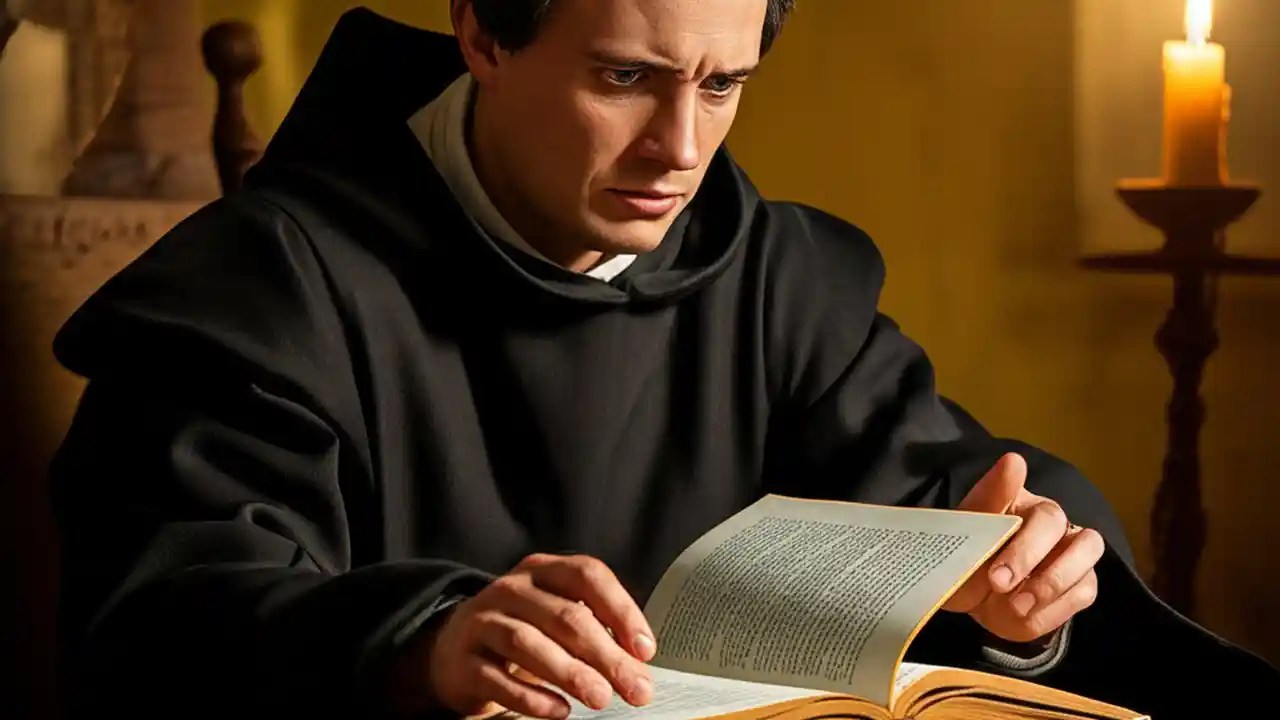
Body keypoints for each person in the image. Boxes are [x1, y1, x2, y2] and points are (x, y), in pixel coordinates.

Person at [47, 1, 1276, 718]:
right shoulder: (270, 283)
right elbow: (162, 615)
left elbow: (939, 508)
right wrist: (421, 643)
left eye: (723, 83)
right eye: (624, 79)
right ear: (481, 31)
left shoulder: (780, 276)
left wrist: (1020, 600)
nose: (677, 150)